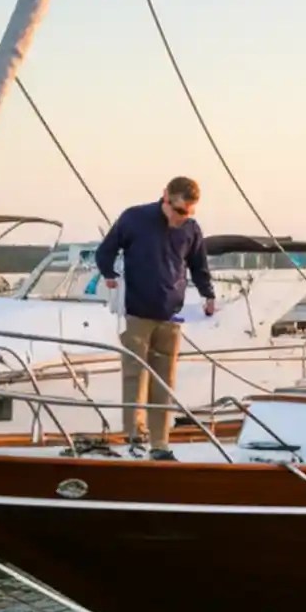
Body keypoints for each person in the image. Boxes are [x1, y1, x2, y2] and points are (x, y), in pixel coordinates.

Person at [95, 176, 216, 460]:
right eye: (178, 211)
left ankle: (160, 444)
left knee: (164, 383)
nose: (180, 217)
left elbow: (199, 266)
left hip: (170, 315)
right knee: (135, 377)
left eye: (187, 213)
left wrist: (209, 295)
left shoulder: (191, 229)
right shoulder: (134, 218)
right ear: (165, 197)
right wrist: (110, 275)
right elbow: (105, 251)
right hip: (136, 312)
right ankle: (134, 438)